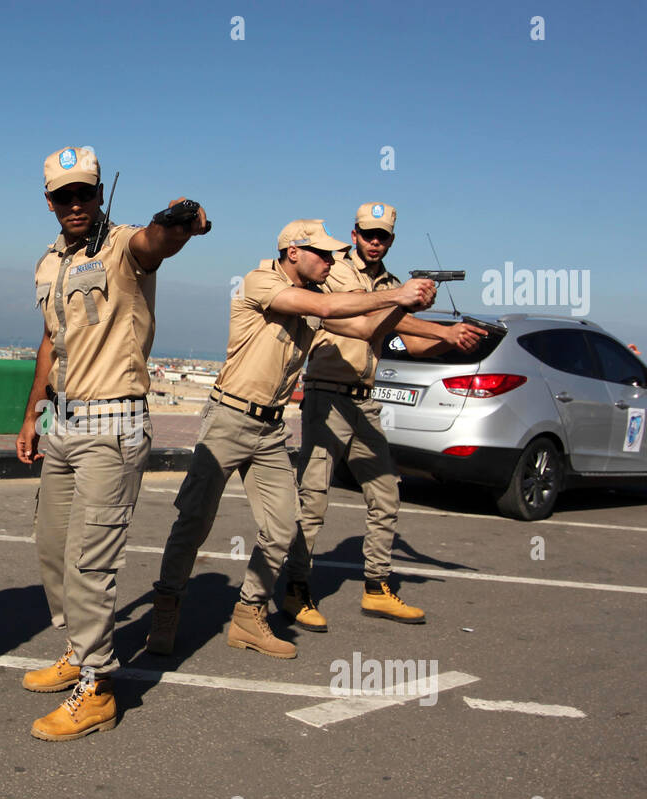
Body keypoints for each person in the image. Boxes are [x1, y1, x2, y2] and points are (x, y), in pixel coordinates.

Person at [146, 220, 436, 658]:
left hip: (270, 429)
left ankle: (248, 616)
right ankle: (166, 610)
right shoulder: (261, 280)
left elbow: (363, 330)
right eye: (323, 254)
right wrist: (397, 293)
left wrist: (404, 306)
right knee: (193, 524)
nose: (333, 261)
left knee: (283, 528)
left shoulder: (317, 300)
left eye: (336, 254)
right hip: (229, 417)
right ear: (293, 252)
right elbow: (333, 309)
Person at [15, 145, 207, 740]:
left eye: (85, 193)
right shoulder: (49, 262)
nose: (75, 203)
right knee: (52, 550)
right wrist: (33, 414)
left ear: (100, 194)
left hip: (114, 422)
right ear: (48, 201)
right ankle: (78, 646)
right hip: (64, 422)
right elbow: (51, 340)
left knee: (89, 560)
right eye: (63, 195)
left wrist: (179, 222)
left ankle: (96, 686)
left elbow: (158, 241)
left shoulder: (124, 245)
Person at [281, 202, 484, 632]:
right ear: (353, 234)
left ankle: (376, 587)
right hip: (327, 396)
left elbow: (403, 342)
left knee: (386, 493)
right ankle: (295, 588)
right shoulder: (332, 271)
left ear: (391, 240)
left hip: (365, 400)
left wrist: (454, 343)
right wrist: (431, 322)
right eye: (368, 233)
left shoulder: (393, 284)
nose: (375, 242)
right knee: (313, 498)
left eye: (383, 236)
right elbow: (361, 318)